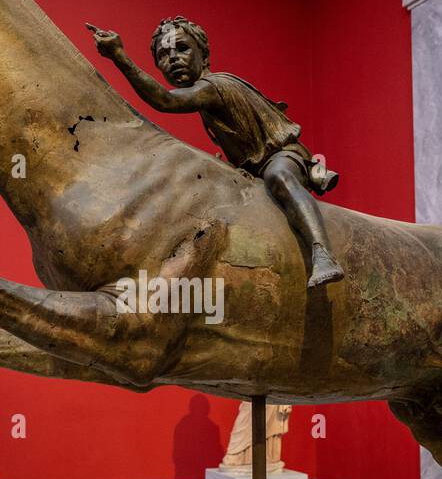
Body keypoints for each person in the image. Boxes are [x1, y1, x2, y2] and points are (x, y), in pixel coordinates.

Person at [87, 16, 345, 288]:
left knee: (279, 176)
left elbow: (165, 100)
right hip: (252, 167)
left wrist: (119, 57)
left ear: (204, 54)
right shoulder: (206, 95)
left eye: (183, 49)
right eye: (164, 54)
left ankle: (323, 253)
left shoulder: (213, 87)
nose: (173, 58)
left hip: (279, 156)